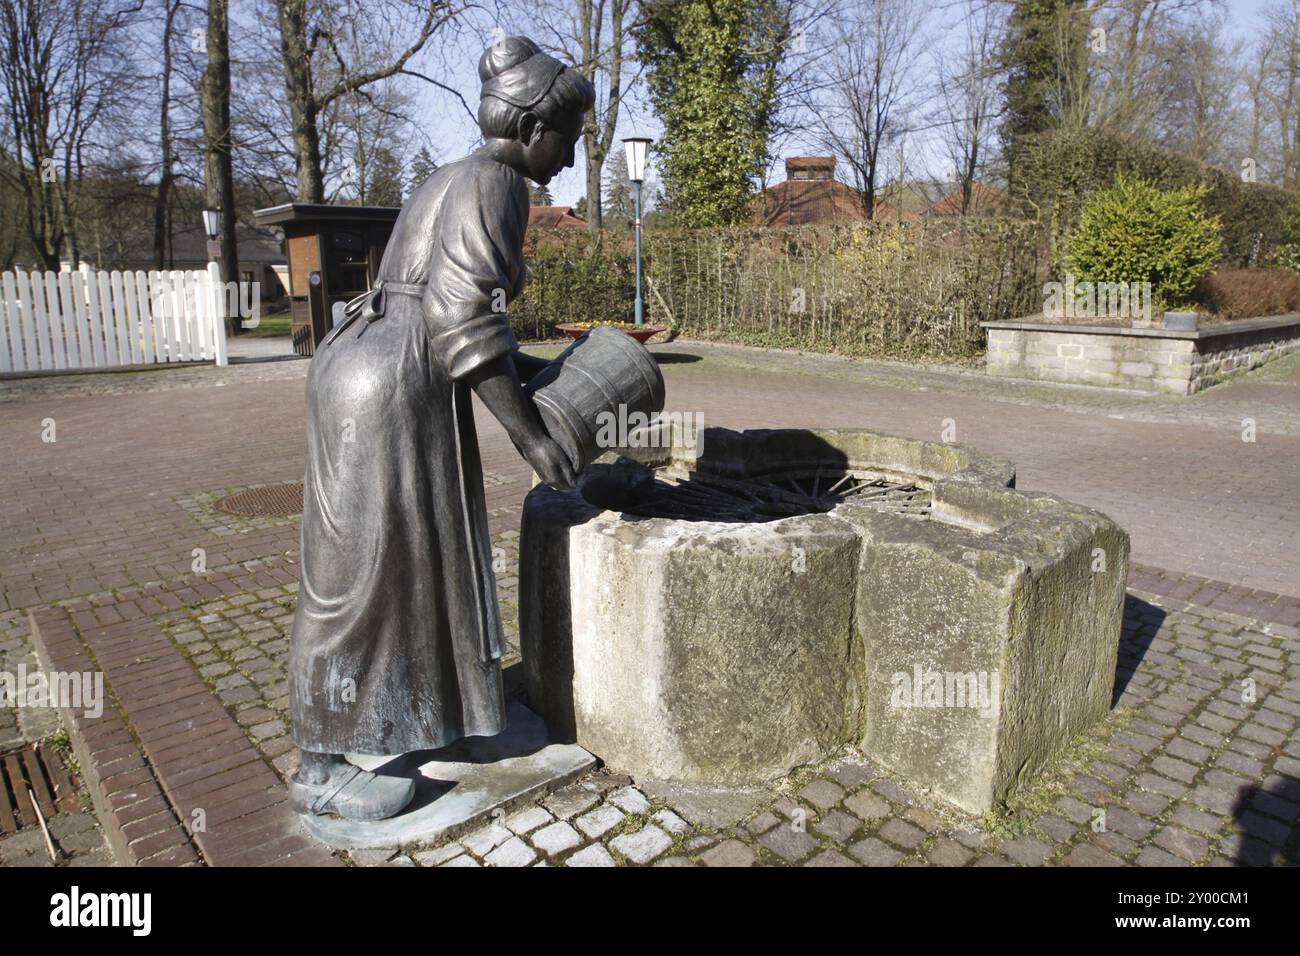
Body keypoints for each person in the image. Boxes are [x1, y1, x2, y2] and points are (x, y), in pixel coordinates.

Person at [287, 37, 595, 821]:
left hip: (366, 366)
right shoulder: (497, 183)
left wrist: (533, 376)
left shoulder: (455, 174)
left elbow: (453, 312)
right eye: (570, 134)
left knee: (389, 567)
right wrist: (531, 437)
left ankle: (424, 716)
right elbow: (463, 322)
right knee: (367, 575)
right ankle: (324, 766)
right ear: (533, 127)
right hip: (391, 387)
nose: (572, 152)